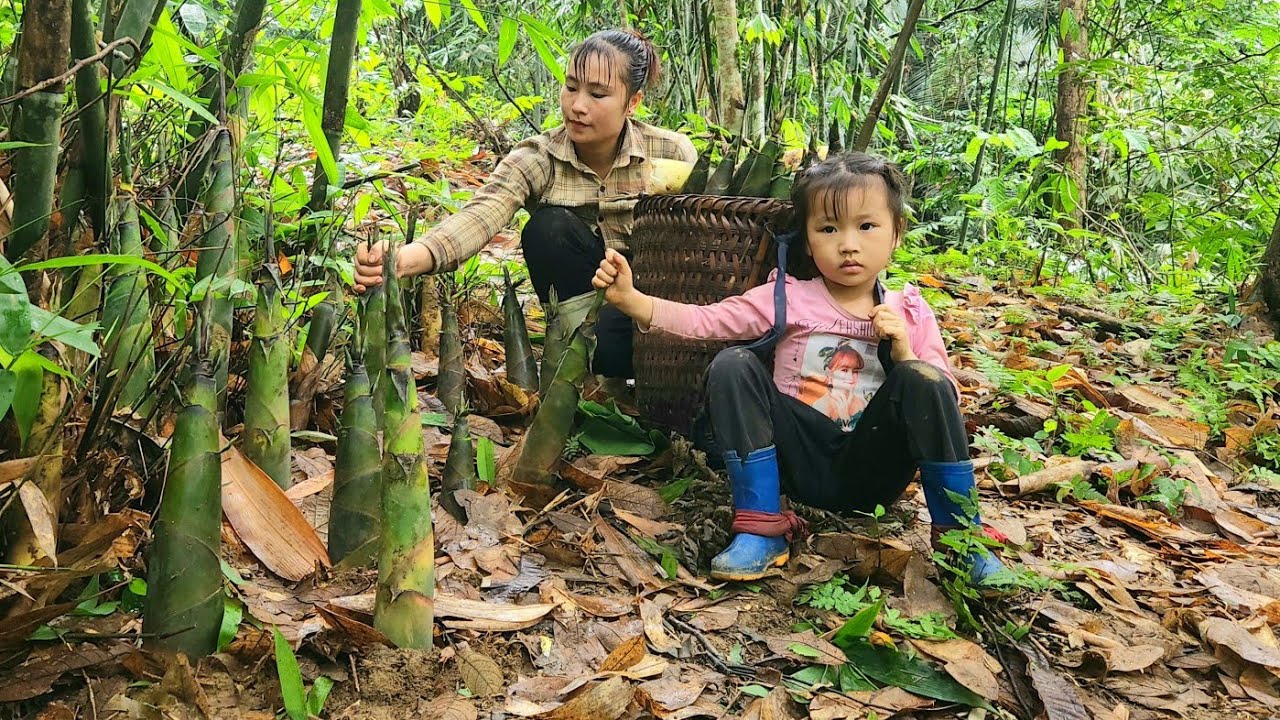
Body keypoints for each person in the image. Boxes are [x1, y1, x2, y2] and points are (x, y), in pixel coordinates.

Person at [591, 152, 1009, 585]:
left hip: (873, 466)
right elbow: (707, 322)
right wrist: (631, 300)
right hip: (798, 459)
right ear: (808, 242)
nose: (848, 244)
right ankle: (761, 527)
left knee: (923, 378)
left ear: (895, 235)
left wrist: (903, 349)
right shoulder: (787, 296)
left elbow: (944, 399)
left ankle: (962, 541)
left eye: (867, 226)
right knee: (734, 364)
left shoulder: (908, 309)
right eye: (829, 229)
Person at [352, 29, 696, 381]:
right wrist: (403, 259)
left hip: (656, 307)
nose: (578, 105)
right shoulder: (539, 158)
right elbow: (481, 214)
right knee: (549, 228)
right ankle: (585, 362)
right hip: (594, 317)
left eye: (597, 94)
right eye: (571, 86)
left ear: (632, 102)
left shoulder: (672, 153)